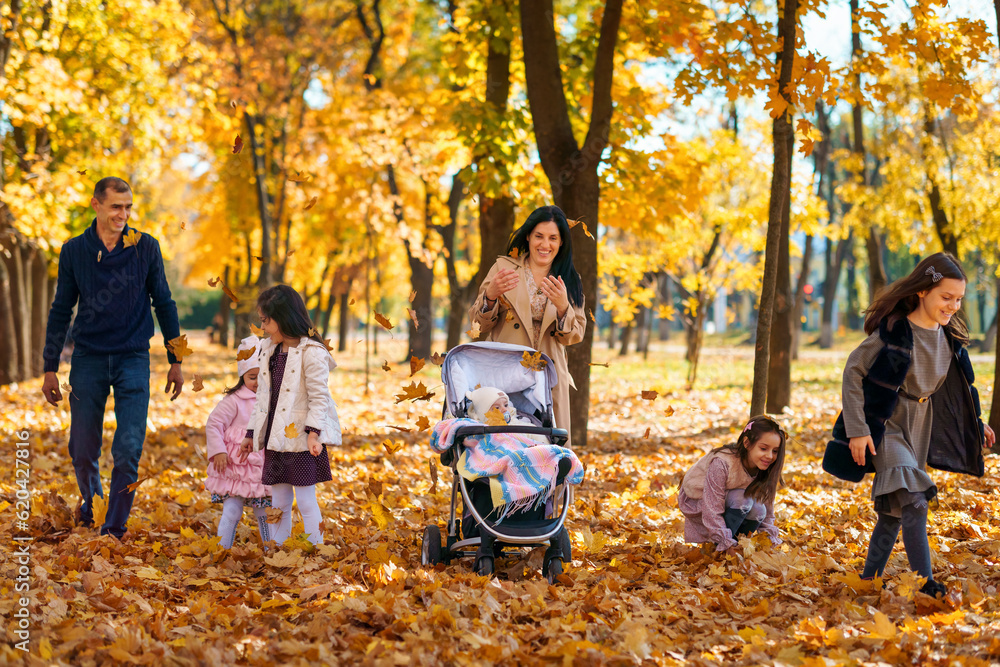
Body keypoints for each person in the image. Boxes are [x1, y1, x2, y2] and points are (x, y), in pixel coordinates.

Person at [824, 252, 995, 598]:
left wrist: (975, 423)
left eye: (958, 299)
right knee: (915, 500)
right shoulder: (895, 331)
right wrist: (859, 429)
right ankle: (924, 585)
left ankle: (868, 579)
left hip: (920, 425)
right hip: (885, 425)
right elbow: (853, 371)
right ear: (923, 291)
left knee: (895, 511)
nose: (953, 306)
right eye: (946, 297)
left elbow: (962, 388)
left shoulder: (951, 338)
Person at [41, 177, 184, 538]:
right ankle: (93, 506)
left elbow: (164, 303)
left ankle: (114, 528)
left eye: (128, 207)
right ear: (97, 205)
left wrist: (176, 359)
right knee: (82, 446)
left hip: (133, 358)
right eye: (116, 206)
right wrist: (49, 367)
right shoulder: (74, 251)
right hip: (87, 358)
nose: (123, 214)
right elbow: (61, 310)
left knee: (128, 447)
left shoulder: (145, 248)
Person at [469, 206, 588, 443]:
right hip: (506, 369)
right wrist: (491, 295)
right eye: (539, 236)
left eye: (553, 238)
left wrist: (564, 307)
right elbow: (477, 325)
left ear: (561, 242)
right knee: (506, 439)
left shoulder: (570, 280)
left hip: (549, 374)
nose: (545, 244)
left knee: (549, 445)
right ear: (528, 237)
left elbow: (575, 336)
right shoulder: (503, 269)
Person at [239, 285, 341, 546]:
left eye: (265, 320)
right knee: (279, 501)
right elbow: (263, 398)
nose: (262, 327)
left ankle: (315, 548)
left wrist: (313, 433)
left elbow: (319, 398)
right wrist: (251, 433)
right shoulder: (269, 350)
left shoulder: (312, 353)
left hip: (302, 440)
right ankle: (279, 548)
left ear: (282, 318)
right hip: (275, 438)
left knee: (306, 500)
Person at [678, 416, 785, 553]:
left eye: (775, 451)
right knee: (743, 500)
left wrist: (770, 539)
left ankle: (738, 545)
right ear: (747, 443)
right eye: (764, 448)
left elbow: (768, 509)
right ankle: (720, 546)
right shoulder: (722, 462)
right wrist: (724, 541)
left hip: (733, 498)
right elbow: (712, 507)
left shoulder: (766, 467)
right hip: (700, 499)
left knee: (759, 509)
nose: (770, 456)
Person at [206, 335, 272, 548]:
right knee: (232, 510)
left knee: (265, 511)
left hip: (261, 470)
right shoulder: (234, 401)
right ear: (242, 375)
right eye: (252, 376)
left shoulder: (273, 399)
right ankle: (222, 549)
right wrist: (218, 451)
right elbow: (214, 424)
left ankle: (272, 550)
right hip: (235, 470)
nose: (257, 382)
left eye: (263, 376)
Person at [465, 386, 547, 443]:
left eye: (506, 405)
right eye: (497, 408)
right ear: (483, 414)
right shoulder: (481, 430)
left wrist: (543, 446)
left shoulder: (520, 424)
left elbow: (538, 436)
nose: (504, 409)